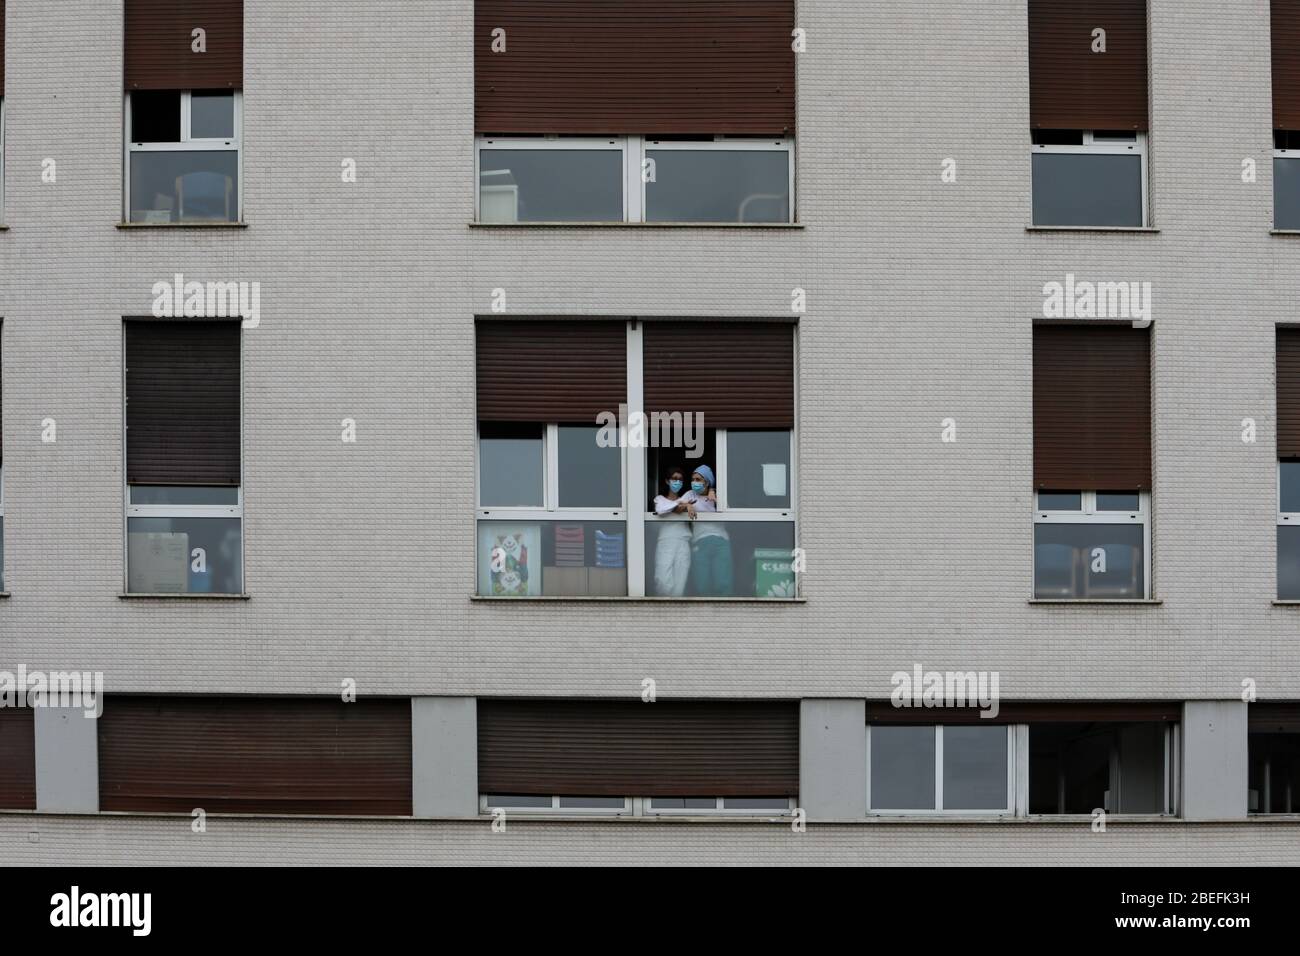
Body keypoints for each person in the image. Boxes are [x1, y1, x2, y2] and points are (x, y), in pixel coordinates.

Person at [686, 464, 733, 596]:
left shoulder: (718, 496)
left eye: (698, 480)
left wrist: (716, 499)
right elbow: (674, 505)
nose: (694, 482)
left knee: (723, 583)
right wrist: (687, 505)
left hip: (721, 542)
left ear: (707, 482)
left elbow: (728, 516)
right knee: (702, 585)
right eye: (693, 479)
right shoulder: (690, 495)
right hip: (700, 543)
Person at [651, 466, 693, 596]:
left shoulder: (686, 500)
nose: (677, 482)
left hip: (683, 541)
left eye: (680, 480)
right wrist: (678, 506)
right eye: (674, 479)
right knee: (663, 580)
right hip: (666, 541)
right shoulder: (660, 499)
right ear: (667, 481)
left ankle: (676, 615)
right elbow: (660, 510)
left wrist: (685, 505)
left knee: (680, 583)